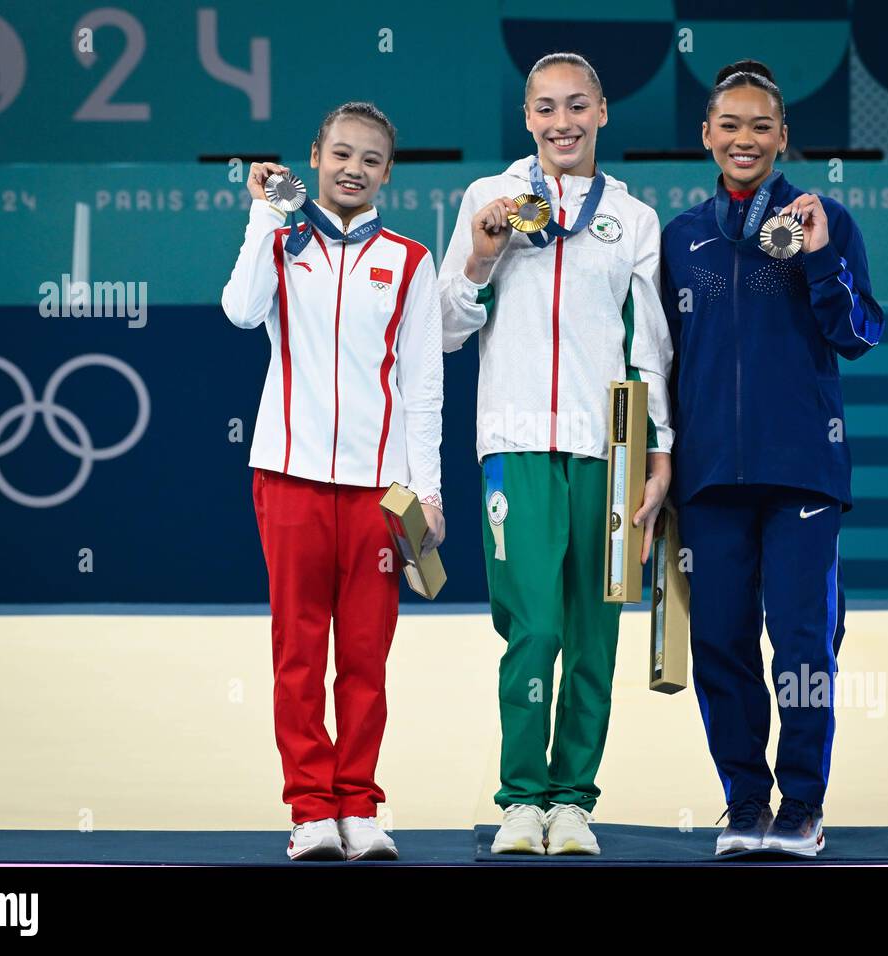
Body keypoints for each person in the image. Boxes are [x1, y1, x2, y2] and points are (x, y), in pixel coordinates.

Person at [438, 53, 673, 855]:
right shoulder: (487, 201)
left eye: (577, 106)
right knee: (532, 629)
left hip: (606, 449)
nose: (562, 122)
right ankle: (519, 799)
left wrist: (658, 452)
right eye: (545, 108)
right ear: (526, 116)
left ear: (603, 111)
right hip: (513, 444)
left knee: (594, 632)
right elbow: (443, 327)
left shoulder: (632, 218)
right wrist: (481, 255)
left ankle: (572, 799)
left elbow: (650, 348)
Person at [660, 60, 884, 857]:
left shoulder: (827, 219)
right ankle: (746, 803)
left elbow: (858, 335)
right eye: (731, 124)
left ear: (784, 137)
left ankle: (803, 806)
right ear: (707, 136)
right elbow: (663, 358)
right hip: (711, 476)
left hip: (804, 477)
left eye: (762, 125)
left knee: (801, 643)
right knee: (720, 642)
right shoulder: (680, 237)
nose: (745, 138)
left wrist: (821, 258)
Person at [221, 101, 444, 862]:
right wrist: (261, 218)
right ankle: (310, 807)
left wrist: (429, 491)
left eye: (371, 159)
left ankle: (359, 804)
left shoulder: (411, 260)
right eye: (340, 153)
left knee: (366, 655)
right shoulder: (283, 242)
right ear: (315, 154)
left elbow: (422, 385)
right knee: (298, 651)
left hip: (380, 490)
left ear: (388, 172)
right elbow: (239, 312)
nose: (353, 168)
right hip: (289, 476)